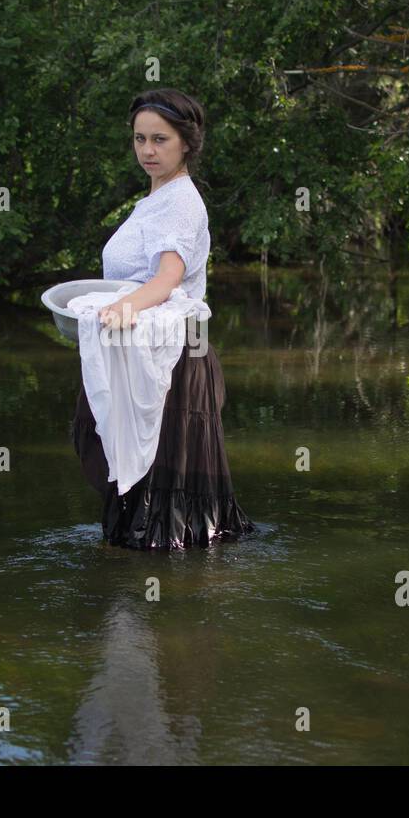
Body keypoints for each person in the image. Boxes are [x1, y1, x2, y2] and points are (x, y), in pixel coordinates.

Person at [71, 87, 256, 551]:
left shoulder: (178, 201)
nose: (147, 151)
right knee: (150, 502)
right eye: (139, 140)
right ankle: (159, 592)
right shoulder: (156, 199)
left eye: (160, 140)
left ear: (186, 143)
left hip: (173, 361)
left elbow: (167, 278)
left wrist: (123, 308)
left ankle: (160, 603)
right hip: (156, 352)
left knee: (159, 513)